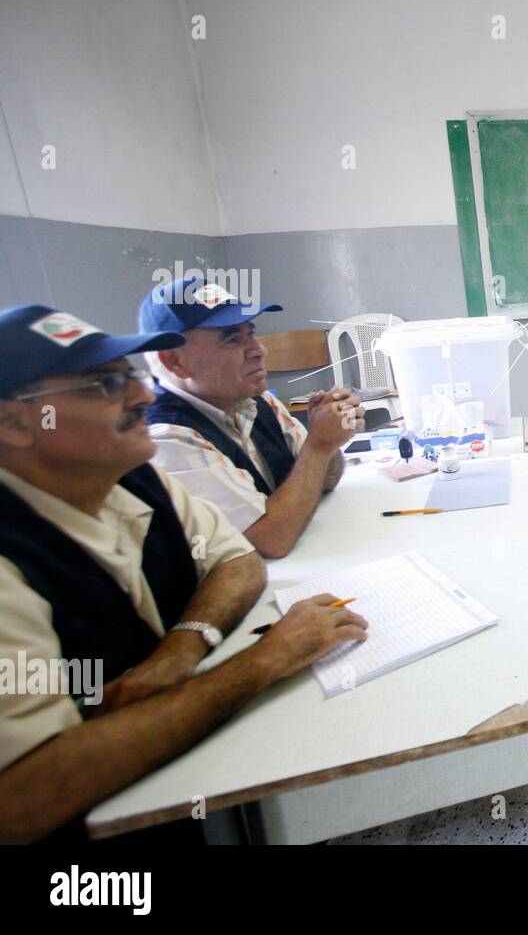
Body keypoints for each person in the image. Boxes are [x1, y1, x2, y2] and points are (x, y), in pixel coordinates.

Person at [0, 305, 368, 842]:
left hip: (186, 792)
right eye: (104, 384)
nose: (143, 396)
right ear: (12, 422)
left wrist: (182, 648)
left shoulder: (134, 477)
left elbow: (238, 561)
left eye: (130, 376)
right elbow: (22, 797)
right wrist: (265, 659)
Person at [139, 274, 362, 558]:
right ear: (175, 361)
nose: (259, 350)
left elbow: (324, 481)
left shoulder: (255, 400)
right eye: (232, 340)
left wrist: (327, 444)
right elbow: (271, 540)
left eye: (251, 333)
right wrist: (318, 445)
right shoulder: (165, 437)